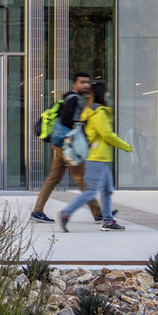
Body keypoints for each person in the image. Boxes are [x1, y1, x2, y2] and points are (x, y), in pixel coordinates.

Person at [59, 83, 133, 232]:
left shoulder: (91, 111)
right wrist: (126, 146)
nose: (108, 95)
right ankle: (65, 214)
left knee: (106, 190)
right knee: (91, 192)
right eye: (106, 92)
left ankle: (108, 221)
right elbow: (107, 135)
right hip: (97, 158)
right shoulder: (99, 113)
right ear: (101, 94)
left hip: (101, 158)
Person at [30, 72, 102, 224]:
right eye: (82, 82)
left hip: (60, 146)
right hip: (68, 147)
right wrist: (79, 129)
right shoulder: (74, 99)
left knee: (53, 179)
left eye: (87, 82)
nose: (85, 85)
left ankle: (37, 211)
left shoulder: (68, 98)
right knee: (81, 178)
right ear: (74, 84)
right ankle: (98, 214)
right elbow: (66, 120)